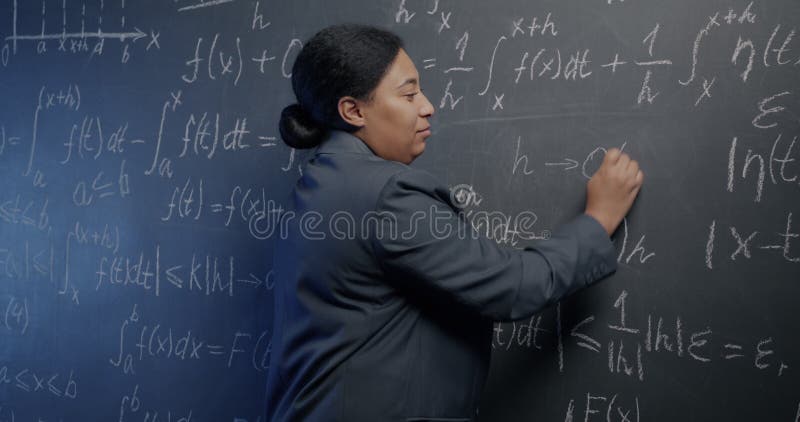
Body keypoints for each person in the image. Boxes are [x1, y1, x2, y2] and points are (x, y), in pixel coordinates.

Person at [266, 24, 643, 422]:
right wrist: (598, 219)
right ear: (353, 110)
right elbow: (512, 286)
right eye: (409, 94)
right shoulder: (386, 194)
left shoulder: (317, 185)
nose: (427, 106)